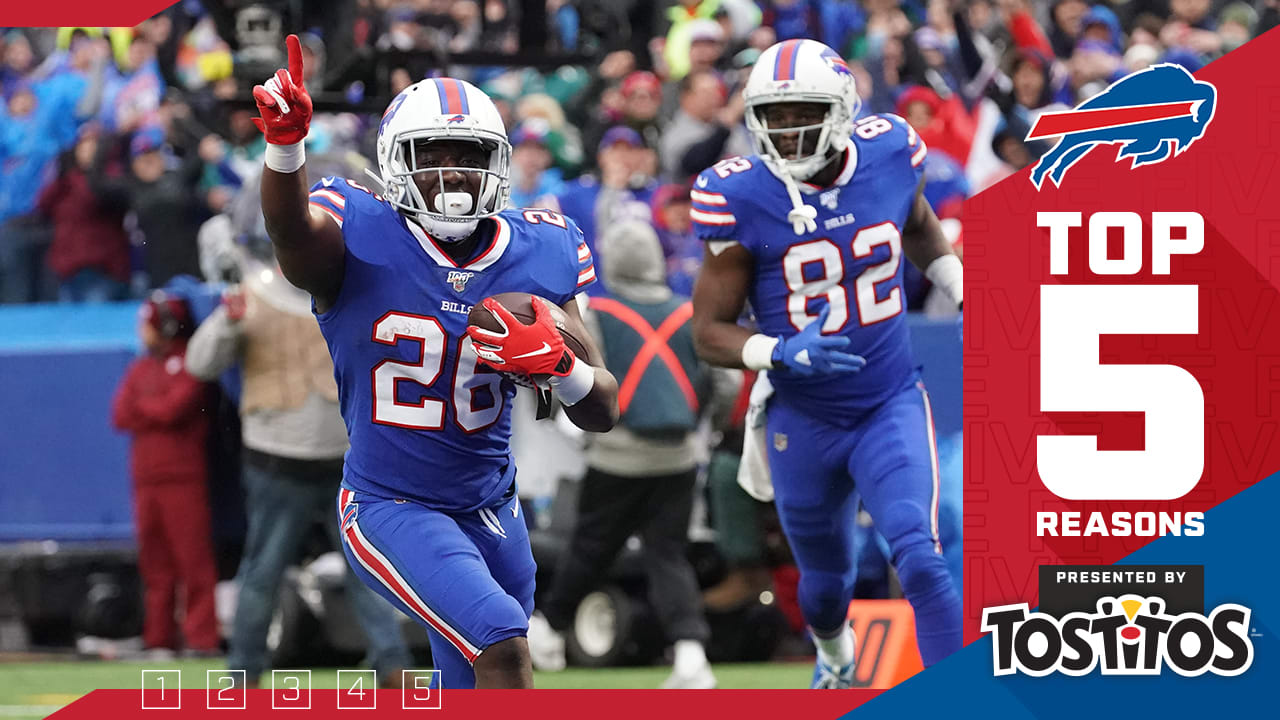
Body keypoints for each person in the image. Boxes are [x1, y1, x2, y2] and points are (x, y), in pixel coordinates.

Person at [251, 36, 619, 689]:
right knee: (501, 642)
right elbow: (292, 240)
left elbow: (603, 407)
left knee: (470, 676)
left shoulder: (544, 248)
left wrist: (562, 365)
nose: (451, 174)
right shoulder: (358, 232)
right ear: (396, 165)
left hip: (493, 508)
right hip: (391, 503)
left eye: (467, 157)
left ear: (498, 165)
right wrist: (285, 150)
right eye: (432, 157)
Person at [689, 38, 963, 688]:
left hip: (887, 400)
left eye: (801, 112)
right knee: (824, 585)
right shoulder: (739, 194)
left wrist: (955, 278)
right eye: (773, 116)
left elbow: (917, 222)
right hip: (802, 416)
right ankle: (837, 660)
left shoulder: (893, 151)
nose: (785, 129)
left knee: (920, 558)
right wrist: (777, 350)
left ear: (841, 108)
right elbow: (708, 332)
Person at [186, 243, 413, 689]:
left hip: (341, 458)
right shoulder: (253, 294)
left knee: (365, 569)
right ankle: (244, 672)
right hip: (278, 461)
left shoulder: (344, 292)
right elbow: (200, 362)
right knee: (266, 572)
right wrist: (229, 322)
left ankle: (390, 663)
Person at [527, 220, 717, 689]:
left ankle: (547, 628)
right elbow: (721, 382)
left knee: (589, 546)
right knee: (669, 556)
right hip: (678, 457)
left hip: (615, 455)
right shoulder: (686, 311)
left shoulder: (599, 310)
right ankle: (691, 654)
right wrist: (698, 429)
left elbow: (574, 369)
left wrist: (579, 432)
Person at [110, 291, 219, 658]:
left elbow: (175, 408)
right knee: (155, 565)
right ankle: (158, 639)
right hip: (146, 480)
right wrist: (153, 409)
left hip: (183, 477)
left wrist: (148, 409)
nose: (143, 331)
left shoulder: (191, 361)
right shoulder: (140, 367)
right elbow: (121, 413)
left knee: (193, 561)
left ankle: (202, 640)